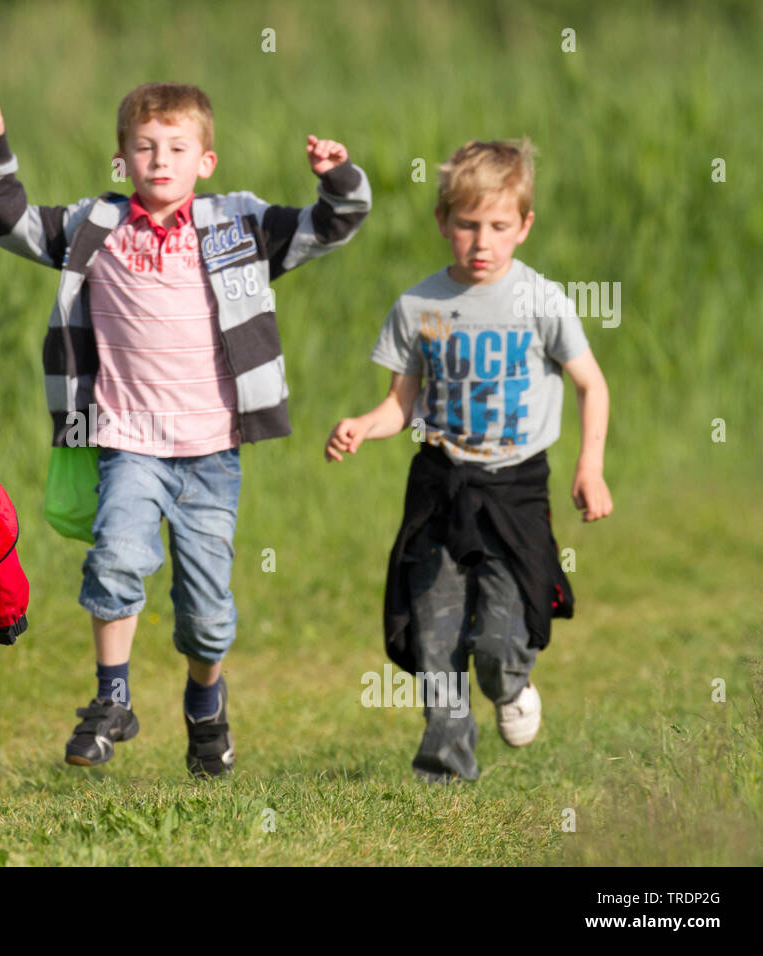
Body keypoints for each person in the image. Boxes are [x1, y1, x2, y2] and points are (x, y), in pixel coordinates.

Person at [0, 78, 371, 776]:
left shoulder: (239, 225)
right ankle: (111, 697)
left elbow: (333, 223)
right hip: (128, 444)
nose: (160, 160)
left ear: (205, 161)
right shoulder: (96, 226)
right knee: (115, 559)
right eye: (144, 148)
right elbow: (7, 219)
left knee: (206, 615)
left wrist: (338, 178)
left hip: (211, 453)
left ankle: (206, 704)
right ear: (121, 159)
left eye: (177, 148)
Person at [326, 138, 612, 782]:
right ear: (442, 223)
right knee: (434, 634)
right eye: (467, 225)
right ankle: (445, 773)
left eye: (499, 226)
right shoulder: (418, 307)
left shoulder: (541, 301)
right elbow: (399, 405)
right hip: (439, 481)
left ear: (524, 226)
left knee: (499, 639)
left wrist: (588, 468)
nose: (482, 242)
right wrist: (362, 427)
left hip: (514, 489)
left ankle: (511, 685)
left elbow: (593, 384)